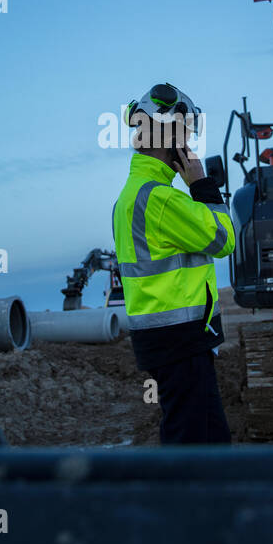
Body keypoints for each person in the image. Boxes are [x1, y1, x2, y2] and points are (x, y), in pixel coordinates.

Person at [112, 83, 235, 444]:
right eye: (186, 135)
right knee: (198, 443)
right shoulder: (160, 198)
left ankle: (200, 499)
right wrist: (201, 185)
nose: (190, 146)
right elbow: (223, 239)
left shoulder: (132, 195)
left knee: (196, 436)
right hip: (180, 340)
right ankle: (190, 502)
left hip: (166, 340)